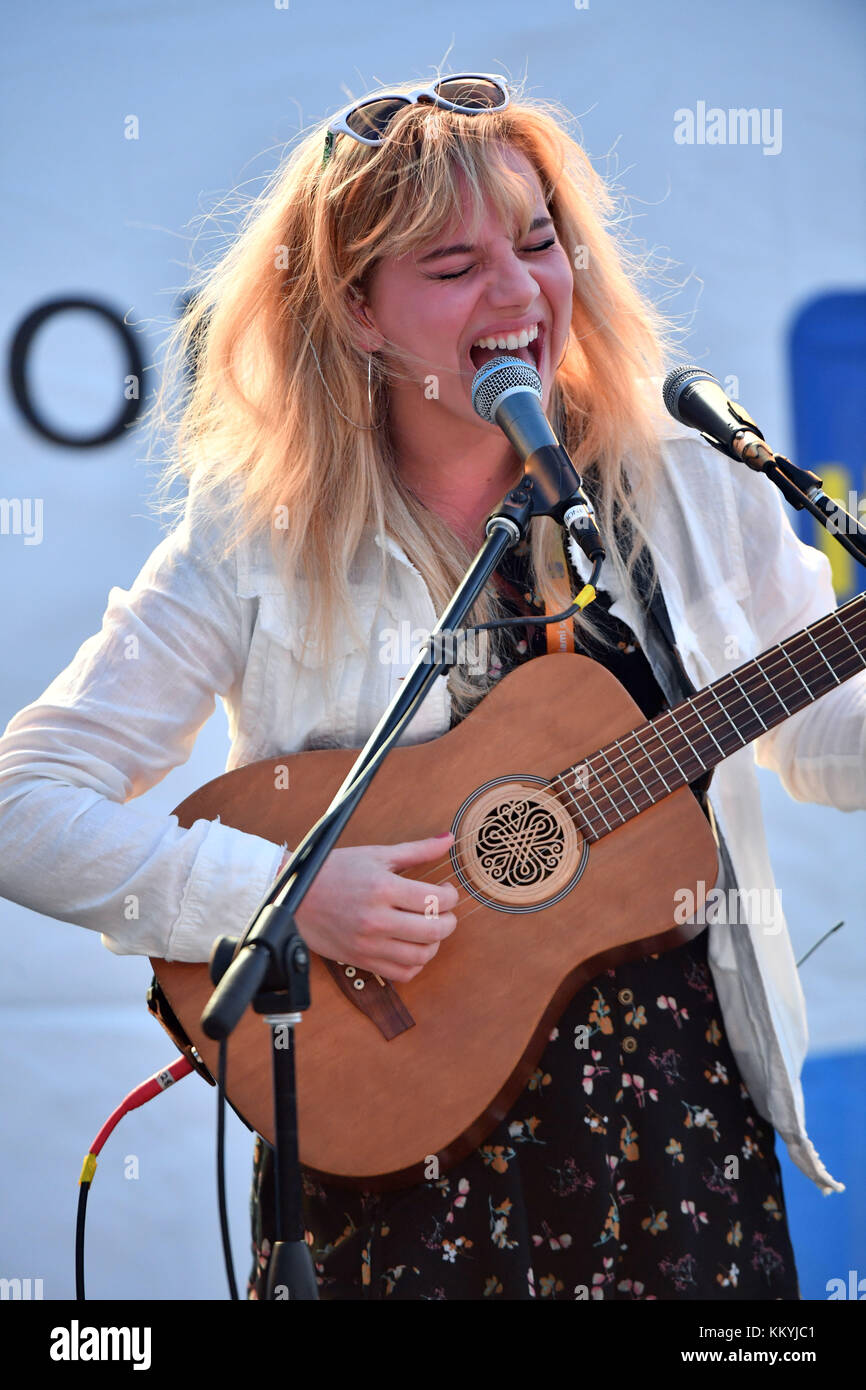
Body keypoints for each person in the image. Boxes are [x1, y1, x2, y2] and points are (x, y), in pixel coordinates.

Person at [0, 72, 863, 1302]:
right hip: (388, 1157)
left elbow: (823, 736)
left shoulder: (685, 483)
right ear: (356, 309)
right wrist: (279, 898)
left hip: (678, 1144)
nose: (519, 294)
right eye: (452, 268)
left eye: (537, 241)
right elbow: (24, 801)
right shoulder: (258, 539)